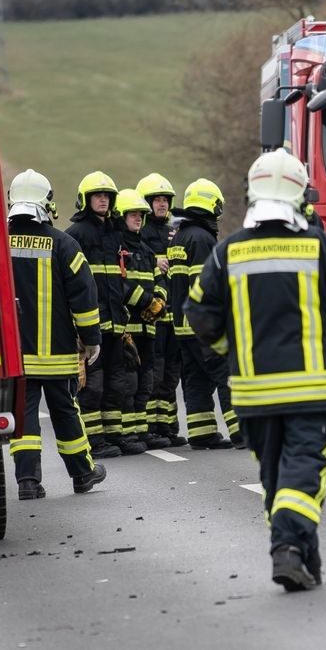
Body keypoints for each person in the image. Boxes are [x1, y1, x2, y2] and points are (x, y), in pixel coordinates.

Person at [186, 149, 326, 591]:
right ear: (299, 195)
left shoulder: (227, 251)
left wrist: (234, 352)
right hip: (312, 390)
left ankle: (304, 565)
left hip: (253, 395)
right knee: (305, 474)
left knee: (276, 478)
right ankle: (286, 549)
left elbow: (198, 313)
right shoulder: (323, 249)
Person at [4, 169, 106, 498]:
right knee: (65, 411)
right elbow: (84, 298)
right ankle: (82, 474)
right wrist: (91, 339)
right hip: (57, 353)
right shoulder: (64, 244)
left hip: (14, 354)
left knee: (24, 415)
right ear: (46, 203)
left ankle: (28, 482)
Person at [66, 171, 146, 458]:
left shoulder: (115, 233)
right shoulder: (75, 235)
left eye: (107, 195)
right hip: (90, 326)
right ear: (85, 200)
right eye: (97, 195)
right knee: (93, 386)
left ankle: (115, 436)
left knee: (117, 383)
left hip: (115, 323)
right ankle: (95, 441)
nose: (102, 199)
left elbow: (118, 279)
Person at [168, 178, 240, 449]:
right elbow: (206, 286)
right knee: (227, 374)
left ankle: (201, 432)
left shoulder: (182, 236)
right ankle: (241, 431)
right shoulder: (202, 238)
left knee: (196, 378)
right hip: (202, 324)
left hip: (182, 325)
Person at [114, 189, 172, 450]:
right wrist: (147, 301)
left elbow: (159, 280)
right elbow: (118, 284)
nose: (138, 219)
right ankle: (127, 435)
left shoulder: (146, 251)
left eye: (140, 215)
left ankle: (141, 430)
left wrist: (159, 300)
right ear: (122, 216)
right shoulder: (118, 249)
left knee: (146, 382)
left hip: (148, 328)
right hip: (128, 329)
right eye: (133, 214)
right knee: (129, 383)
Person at [137, 173, 187, 446]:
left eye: (165, 200)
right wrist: (154, 261)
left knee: (171, 371)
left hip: (173, 314)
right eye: (156, 200)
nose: (162, 205)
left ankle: (167, 426)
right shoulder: (139, 233)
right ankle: (150, 427)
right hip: (153, 315)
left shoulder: (174, 231)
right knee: (153, 371)